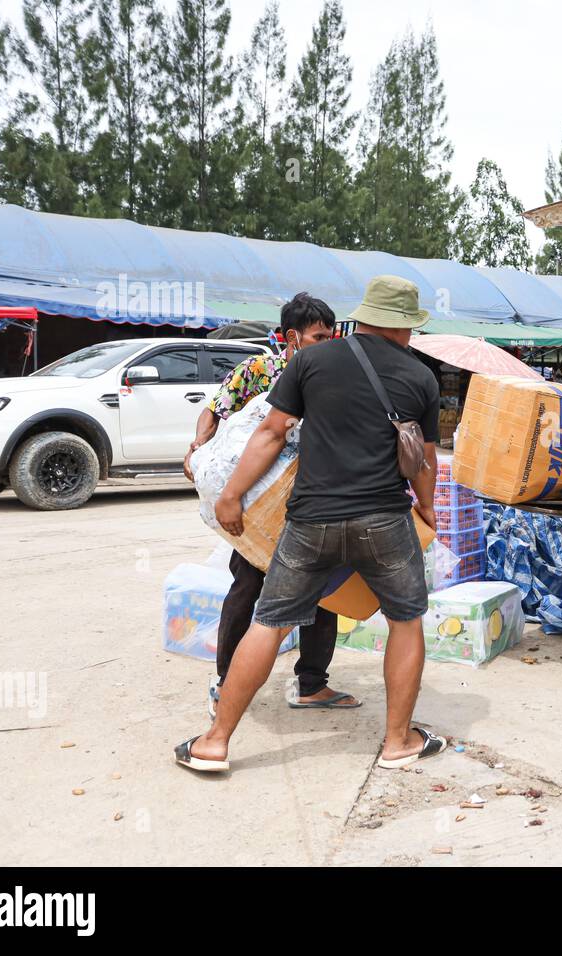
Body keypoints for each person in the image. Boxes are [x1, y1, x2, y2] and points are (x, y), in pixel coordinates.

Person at [175, 275, 444, 774]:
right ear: (405, 327)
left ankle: (214, 742)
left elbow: (272, 433)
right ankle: (398, 742)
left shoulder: (309, 361)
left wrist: (231, 496)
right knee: (405, 622)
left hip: (311, 519)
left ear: (360, 317)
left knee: (270, 622)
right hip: (384, 519)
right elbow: (423, 459)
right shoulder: (421, 378)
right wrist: (427, 510)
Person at [183, 294, 357, 715]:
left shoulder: (331, 374)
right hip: (259, 507)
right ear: (292, 337)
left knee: (322, 592)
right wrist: (198, 450)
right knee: (249, 587)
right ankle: (225, 683)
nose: (327, 343)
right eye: (319, 336)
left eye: (331, 336)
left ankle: (312, 684)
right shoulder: (260, 371)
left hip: (313, 499)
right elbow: (215, 409)